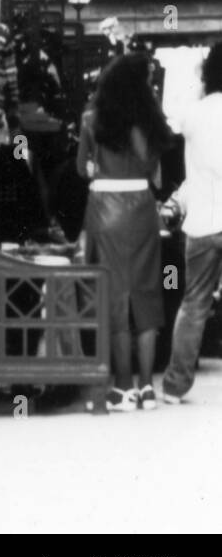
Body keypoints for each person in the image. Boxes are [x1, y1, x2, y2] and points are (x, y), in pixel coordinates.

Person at [77, 53, 173, 411]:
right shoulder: (151, 120)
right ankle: (147, 387)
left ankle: (122, 388)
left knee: (116, 297)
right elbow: (154, 170)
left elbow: (82, 169)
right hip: (143, 209)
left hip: (106, 210)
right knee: (146, 294)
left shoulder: (91, 118)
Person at [161, 43, 222, 404]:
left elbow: (174, 120)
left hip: (201, 223)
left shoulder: (193, 114)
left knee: (194, 303)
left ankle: (175, 385)